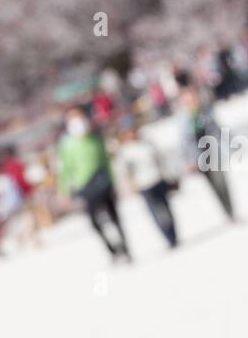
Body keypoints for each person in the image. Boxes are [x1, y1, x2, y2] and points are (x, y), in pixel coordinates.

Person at [57, 107, 131, 262]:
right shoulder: (67, 144)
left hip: (103, 181)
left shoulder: (95, 138)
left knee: (114, 217)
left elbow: (106, 160)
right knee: (95, 223)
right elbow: (65, 169)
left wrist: (113, 182)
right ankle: (112, 249)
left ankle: (125, 248)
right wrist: (64, 190)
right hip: (86, 185)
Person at [117, 120, 178, 248]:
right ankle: (168, 238)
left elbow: (161, 159)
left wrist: (170, 175)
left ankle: (174, 234)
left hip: (158, 179)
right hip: (144, 185)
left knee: (166, 209)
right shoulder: (125, 151)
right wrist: (130, 186)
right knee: (156, 213)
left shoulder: (147, 142)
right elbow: (124, 172)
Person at [178, 86, 235, 221]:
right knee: (213, 186)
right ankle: (226, 211)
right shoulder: (183, 119)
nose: (192, 102)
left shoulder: (206, 112)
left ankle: (230, 210)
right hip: (199, 158)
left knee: (221, 182)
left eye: (193, 98)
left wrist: (230, 141)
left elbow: (217, 129)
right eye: (188, 100)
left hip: (213, 153)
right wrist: (188, 161)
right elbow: (183, 143)